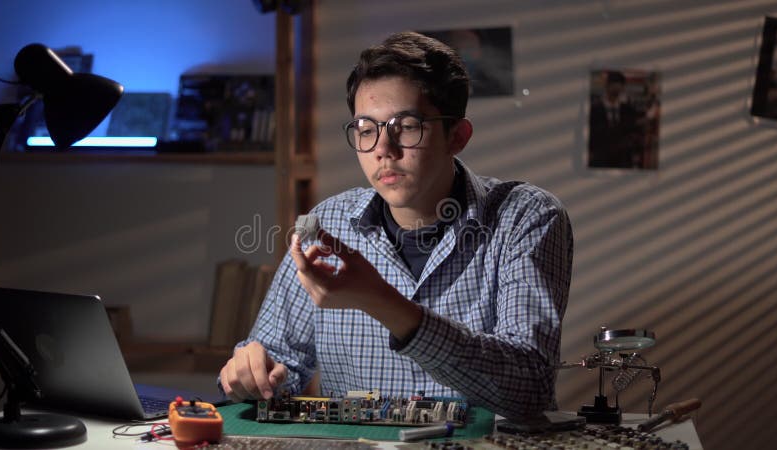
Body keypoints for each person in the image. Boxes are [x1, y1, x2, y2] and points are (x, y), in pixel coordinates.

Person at [219, 31, 573, 420]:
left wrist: (383, 302)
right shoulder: (326, 222)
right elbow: (275, 365)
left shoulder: (525, 216)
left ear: (457, 136)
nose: (383, 150)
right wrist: (248, 374)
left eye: (405, 126)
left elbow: (529, 387)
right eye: (366, 130)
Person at [588, 70, 643, 168]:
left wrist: (635, 152)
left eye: (620, 84)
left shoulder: (628, 109)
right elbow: (591, 133)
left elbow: (634, 131)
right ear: (607, 86)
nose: (618, 87)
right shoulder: (594, 109)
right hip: (601, 157)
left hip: (623, 158)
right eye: (614, 83)